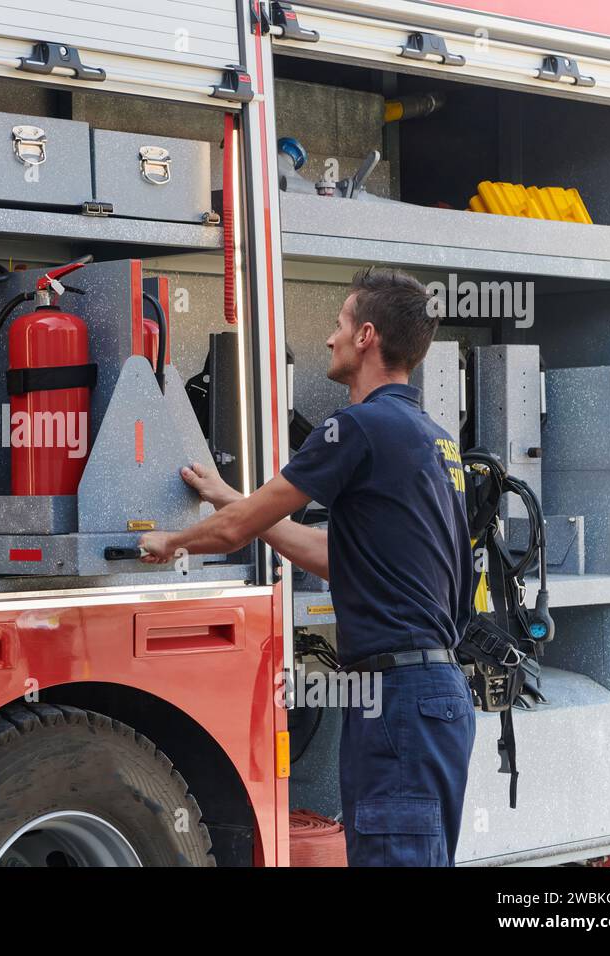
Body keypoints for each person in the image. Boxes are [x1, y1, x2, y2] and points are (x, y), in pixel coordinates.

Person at [140, 267, 475, 867]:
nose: (330, 338)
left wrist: (171, 541)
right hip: (430, 698)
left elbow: (236, 532)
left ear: (367, 336)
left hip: (398, 698)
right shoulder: (429, 436)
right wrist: (227, 497)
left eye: (340, 323)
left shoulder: (357, 427)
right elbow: (332, 556)